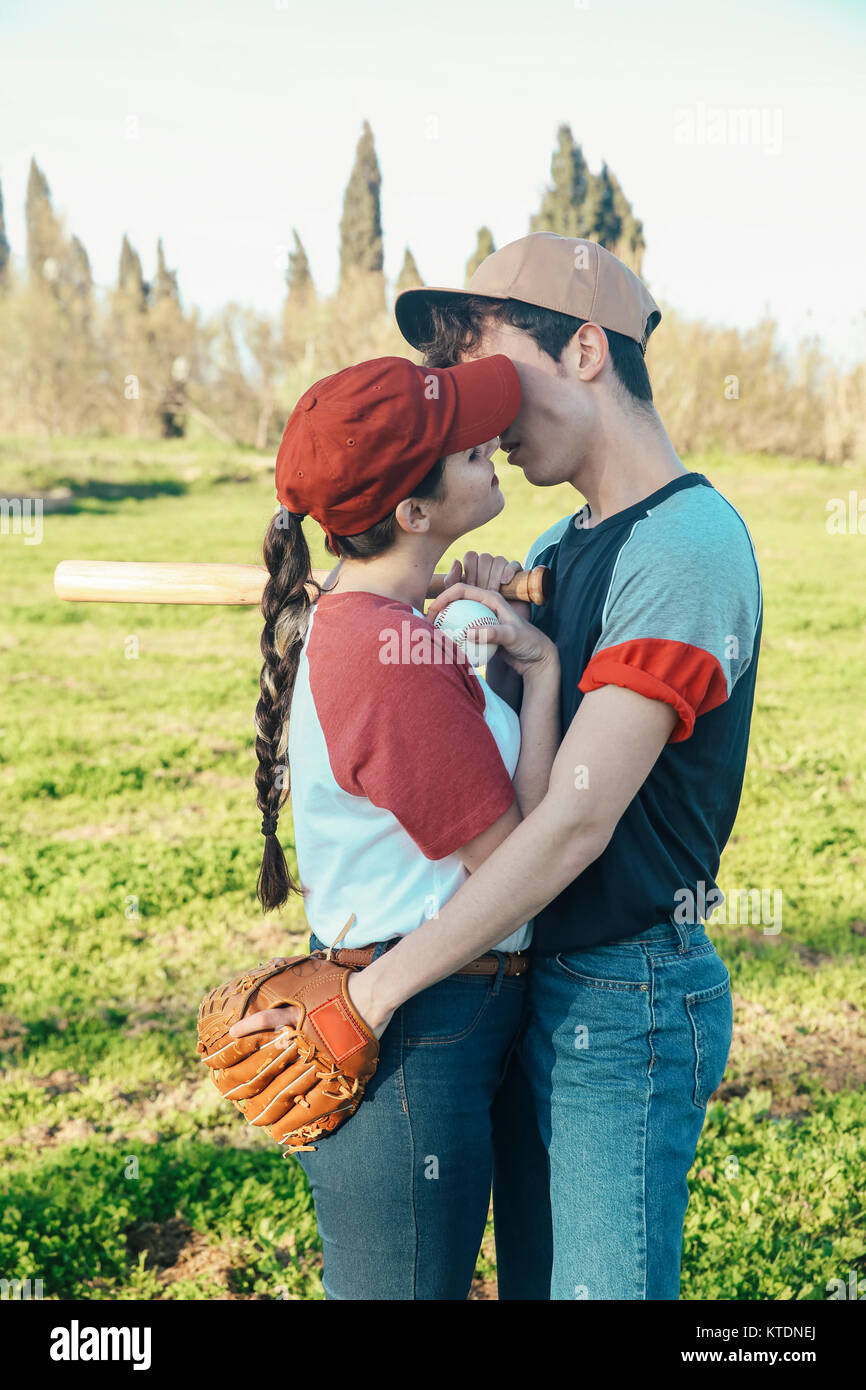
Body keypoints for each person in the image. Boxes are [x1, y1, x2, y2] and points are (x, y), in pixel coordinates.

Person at [334, 233, 763, 1300]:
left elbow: (571, 823)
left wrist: (379, 987)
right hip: (547, 984)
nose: (480, 417)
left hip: (624, 991)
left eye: (494, 380)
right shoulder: (570, 546)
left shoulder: (683, 546)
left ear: (583, 350)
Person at [241, 352, 561, 1300]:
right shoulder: (388, 656)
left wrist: (504, 642)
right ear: (413, 515)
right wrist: (540, 674)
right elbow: (519, 862)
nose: (490, 443)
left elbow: (465, 751)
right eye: (466, 448)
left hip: (446, 1015)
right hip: (413, 1031)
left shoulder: (386, 626)